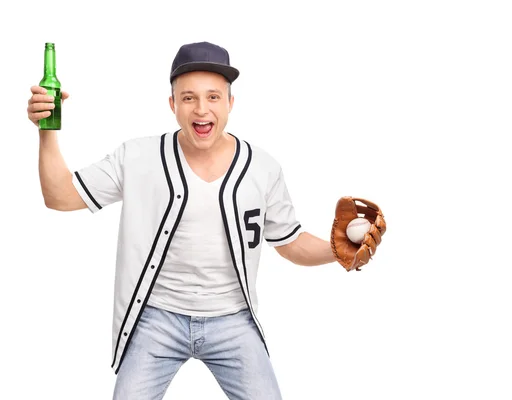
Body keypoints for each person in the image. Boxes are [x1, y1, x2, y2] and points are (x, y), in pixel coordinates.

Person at [26, 41, 385, 400]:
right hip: (155, 319)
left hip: (233, 320)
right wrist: (47, 130)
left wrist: (340, 250)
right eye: (188, 98)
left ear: (230, 103)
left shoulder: (262, 168)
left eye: (213, 97)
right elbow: (59, 195)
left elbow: (289, 243)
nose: (201, 110)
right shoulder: (137, 157)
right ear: (172, 105)